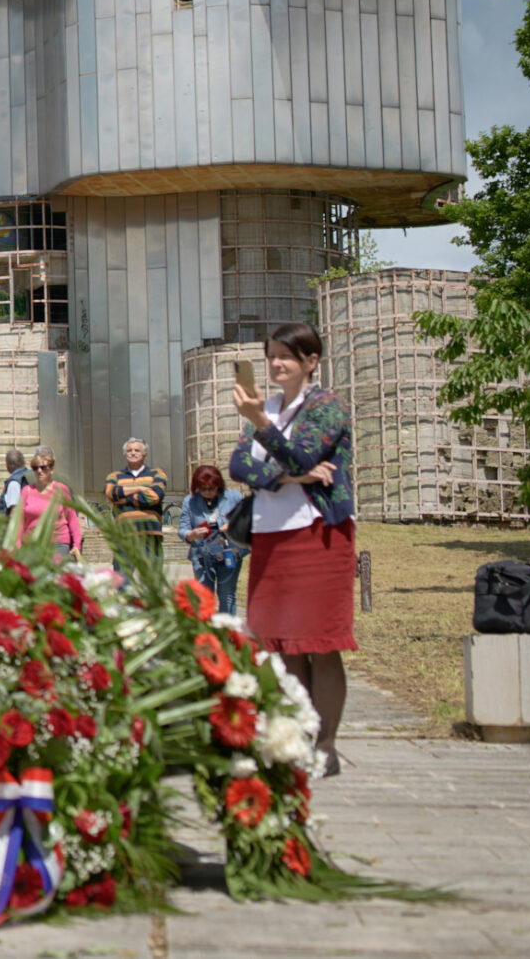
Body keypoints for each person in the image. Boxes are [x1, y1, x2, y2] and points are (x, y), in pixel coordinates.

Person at [229, 320, 356, 776]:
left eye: (285, 356)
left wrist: (264, 427)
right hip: (271, 534)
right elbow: (239, 465)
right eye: (271, 356)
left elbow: (303, 453)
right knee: (280, 644)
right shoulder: (273, 407)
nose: (276, 364)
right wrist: (290, 476)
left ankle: (326, 746)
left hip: (318, 534)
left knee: (318, 643)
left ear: (310, 362)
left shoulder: (325, 407)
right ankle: (295, 739)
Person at [177, 462, 246, 617]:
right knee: (203, 596)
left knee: (227, 595)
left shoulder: (233, 497)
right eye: (203, 489)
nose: (207, 492)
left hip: (229, 552)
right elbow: (182, 528)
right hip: (202, 555)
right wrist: (191, 534)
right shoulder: (190, 501)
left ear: (219, 485)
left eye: (212, 488)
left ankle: (227, 635)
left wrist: (232, 526)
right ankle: (206, 636)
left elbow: (248, 521)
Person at [105, 436, 171, 560]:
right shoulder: (115, 476)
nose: (133, 453)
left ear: (145, 454)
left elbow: (155, 496)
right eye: (129, 451)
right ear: (124, 454)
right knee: (123, 578)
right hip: (123, 535)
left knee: (152, 577)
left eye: (137, 450)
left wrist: (126, 499)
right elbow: (111, 493)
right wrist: (141, 488)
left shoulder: (157, 473)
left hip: (150, 535)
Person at [15, 447, 82, 559]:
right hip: (32, 544)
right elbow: (19, 522)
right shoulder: (26, 491)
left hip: (58, 544)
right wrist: (17, 545)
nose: (39, 471)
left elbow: (72, 518)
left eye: (43, 467)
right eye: (35, 468)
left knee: (54, 575)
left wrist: (76, 545)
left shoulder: (62, 490)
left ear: (52, 470)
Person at [0, 447, 30, 519]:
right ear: (23, 463)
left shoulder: (14, 483)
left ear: (7, 465)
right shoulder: (30, 475)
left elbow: (14, 512)